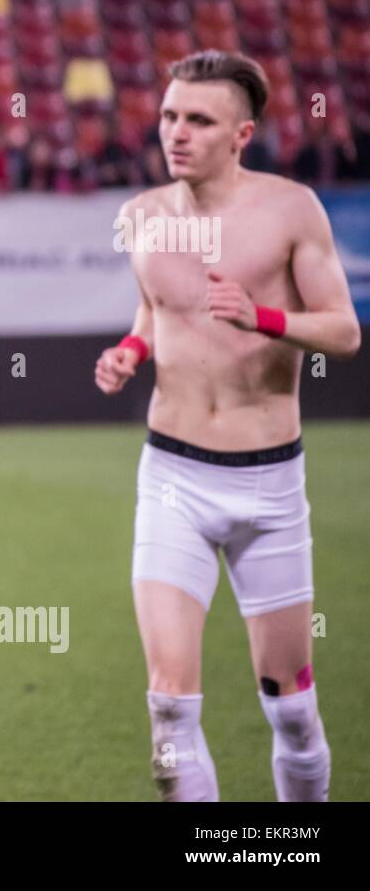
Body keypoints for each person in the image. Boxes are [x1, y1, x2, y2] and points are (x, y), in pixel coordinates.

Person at [94, 50, 361, 802]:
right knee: (170, 713)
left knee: (295, 712)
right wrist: (130, 350)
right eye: (170, 114)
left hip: (271, 486)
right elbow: (156, 306)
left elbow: (344, 332)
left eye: (199, 120)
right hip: (173, 476)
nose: (176, 132)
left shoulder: (291, 210)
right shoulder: (141, 215)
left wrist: (264, 317)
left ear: (242, 134)